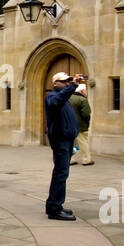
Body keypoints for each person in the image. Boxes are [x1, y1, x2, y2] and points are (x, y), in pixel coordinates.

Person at [43, 72, 80, 221]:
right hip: (60, 141)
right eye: (64, 81)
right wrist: (73, 86)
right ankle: (54, 208)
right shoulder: (52, 97)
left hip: (67, 140)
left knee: (62, 173)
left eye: (68, 81)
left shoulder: (64, 98)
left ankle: (55, 204)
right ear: (55, 83)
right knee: (60, 173)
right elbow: (57, 101)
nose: (67, 83)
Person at [69, 82, 94, 166]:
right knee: (83, 142)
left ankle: (70, 159)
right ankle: (86, 159)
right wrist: (87, 122)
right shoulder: (82, 100)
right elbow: (86, 114)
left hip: (68, 125)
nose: (86, 92)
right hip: (80, 125)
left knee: (70, 143)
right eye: (85, 90)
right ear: (82, 91)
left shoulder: (68, 98)